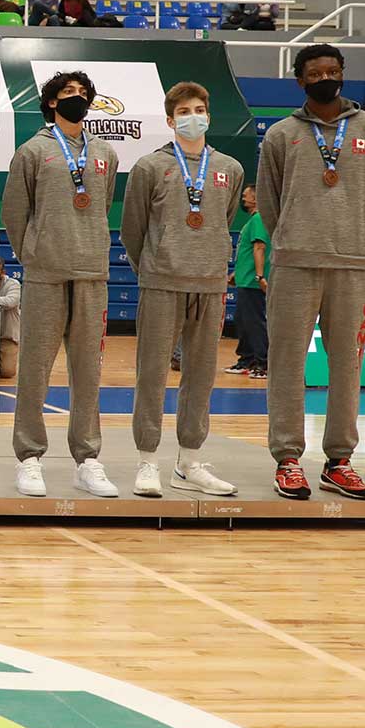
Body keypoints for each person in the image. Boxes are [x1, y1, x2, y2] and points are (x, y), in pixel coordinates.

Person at [259, 44, 365, 500]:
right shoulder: (281, 134)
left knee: (348, 366)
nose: (325, 77)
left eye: (333, 71)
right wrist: (297, 237)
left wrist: (346, 231)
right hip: (295, 263)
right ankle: (288, 459)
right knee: (287, 365)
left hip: (352, 264)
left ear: (343, 74)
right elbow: (270, 203)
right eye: (316, 73)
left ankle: (339, 461)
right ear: (301, 81)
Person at [119, 82, 244, 498]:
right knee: (152, 375)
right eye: (185, 111)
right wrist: (155, 267)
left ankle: (189, 462)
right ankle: (147, 462)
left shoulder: (229, 167)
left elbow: (223, 221)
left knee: (201, 378)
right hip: (162, 283)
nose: (194, 116)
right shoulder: (149, 168)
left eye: (200, 108)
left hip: (209, 285)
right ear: (171, 121)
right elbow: (132, 230)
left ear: (209, 114)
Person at [2, 70, 119, 498]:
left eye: (83, 93)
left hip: (92, 273)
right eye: (68, 93)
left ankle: (87, 459)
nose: (78, 98)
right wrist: (34, 253)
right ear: (52, 102)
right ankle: (29, 457)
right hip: (46, 272)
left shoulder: (105, 153)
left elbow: (102, 206)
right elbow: (15, 212)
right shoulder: (33, 151)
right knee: (35, 370)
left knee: (89, 371)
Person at [227, 185, 271, 379]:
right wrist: (238, 273)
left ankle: (263, 362)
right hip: (245, 280)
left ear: (256, 198)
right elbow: (247, 252)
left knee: (255, 322)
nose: (243, 199)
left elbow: (259, 247)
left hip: (253, 282)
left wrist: (259, 276)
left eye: (246, 196)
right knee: (243, 321)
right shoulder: (252, 220)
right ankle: (246, 359)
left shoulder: (259, 219)